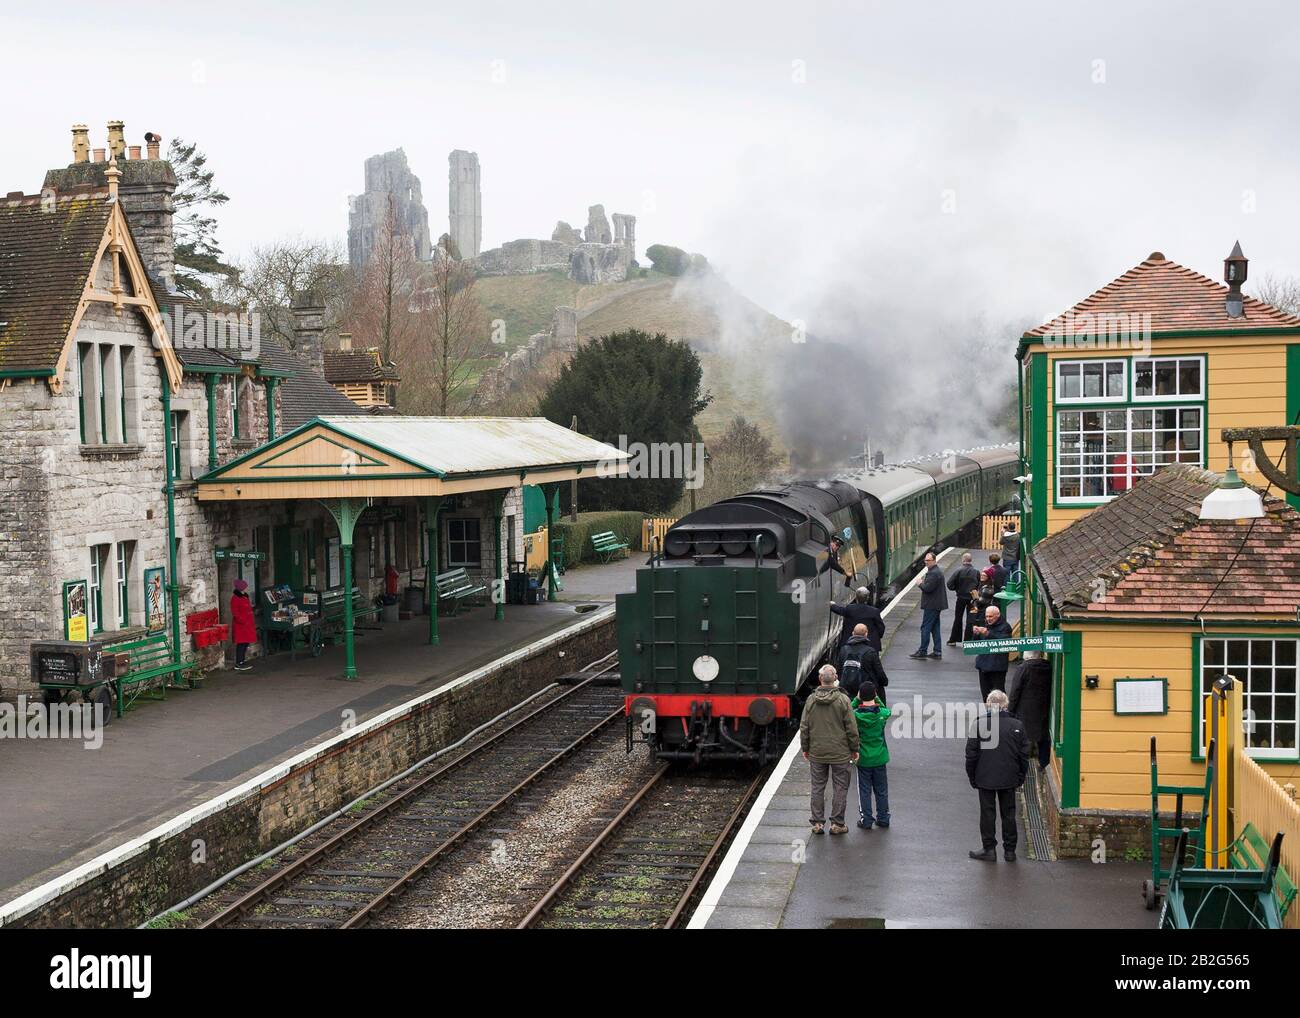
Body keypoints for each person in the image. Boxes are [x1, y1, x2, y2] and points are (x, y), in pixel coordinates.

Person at [966, 689, 1031, 861]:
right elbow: (1024, 755)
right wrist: (1020, 776)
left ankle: (989, 849)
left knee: (987, 814)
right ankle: (1010, 851)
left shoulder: (979, 724)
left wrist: (972, 777)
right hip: (1009, 777)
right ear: (1006, 705)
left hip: (985, 776)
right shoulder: (1017, 725)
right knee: (1009, 813)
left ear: (988, 705)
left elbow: (971, 754)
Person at [800, 664, 859, 835]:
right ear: (835, 678)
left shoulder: (811, 700)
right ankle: (837, 823)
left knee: (818, 787)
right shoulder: (843, 700)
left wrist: (806, 747)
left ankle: (817, 823)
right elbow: (851, 728)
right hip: (840, 752)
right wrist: (854, 748)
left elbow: (804, 726)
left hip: (817, 751)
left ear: (820, 679)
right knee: (840, 787)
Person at [852, 680, 892, 830]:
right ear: (874, 695)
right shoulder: (883, 714)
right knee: (881, 790)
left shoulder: (855, 716)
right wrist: (876, 697)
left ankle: (866, 819)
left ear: (860, 696)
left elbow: (846, 711)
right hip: (880, 756)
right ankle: (883, 818)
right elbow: (885, 709)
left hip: (863, 758)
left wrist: (856, 699)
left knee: (864, 790)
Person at [1008, 650, 1053, 768]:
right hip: (1043, 707)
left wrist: (1010, 710)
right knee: (1043, 736)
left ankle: (1020, 763)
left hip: (1025, 709)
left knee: (1023, 737)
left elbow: (1015, 691)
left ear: (1026, 656)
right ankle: (1044, 763)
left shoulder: (1023, 668)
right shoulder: (1047, 667)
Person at [838, 623, 889, 704]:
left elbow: (840, 670)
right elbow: (879, 672)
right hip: (864, 690)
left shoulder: (843, 650)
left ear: (853, 633)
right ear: (866, 634)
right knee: (880, 688)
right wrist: (884, 682)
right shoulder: (870, 651)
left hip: (847, 688)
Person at [909, 552, 947, 660]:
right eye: (925, 560)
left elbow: (927, 588)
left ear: (934, 561)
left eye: (928, 561)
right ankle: (937, 651)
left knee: (925, 627)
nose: (926, 562)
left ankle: (922, 650)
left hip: (932, 605)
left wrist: (920, 583)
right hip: (936, 604)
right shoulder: (935, 571)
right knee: (935, 628)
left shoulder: (933, 573)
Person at [970, 604, 1013, 700]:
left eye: (990, 616)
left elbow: (1003, 642)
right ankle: (989, 713)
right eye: (986, 616)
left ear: (997, 615)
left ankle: (999, 713)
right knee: (985, 693)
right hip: (983, 665)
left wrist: (987, 633)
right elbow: (975, 645)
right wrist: (976, 634)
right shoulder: (984, 624)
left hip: (997, 667)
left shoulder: (1005, 627)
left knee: (998, 694)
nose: (988, 619)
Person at [830, 586, 885, 654]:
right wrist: (876, 637)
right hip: (871, 645)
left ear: (856, 598)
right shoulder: (874, 611)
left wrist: (832, 605)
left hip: (851, 644)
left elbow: (840, 610)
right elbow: (881, 628)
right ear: (867, 598)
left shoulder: (850, 609)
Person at [946, 552, 981, 647]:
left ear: (963, 560)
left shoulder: (958, 571)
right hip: (973, 600)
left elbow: (949, 584)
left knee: (958, 618)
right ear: (970, 560)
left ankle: (953, 639)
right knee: (971, 620)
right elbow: (979, 584)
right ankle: (968, 641)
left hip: (960, 598)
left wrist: (957, 589)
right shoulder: (976, 572)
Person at [229, 578, 256, 673]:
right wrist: (243, 621)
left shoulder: (244, 596)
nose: (245, 589)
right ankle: (239, 663)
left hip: (247, 624)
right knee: (241, 643)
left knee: (246, 643)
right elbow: (235, 613)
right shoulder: (235, 598)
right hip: (241, 625)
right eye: (244, 588)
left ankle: (242, 660)